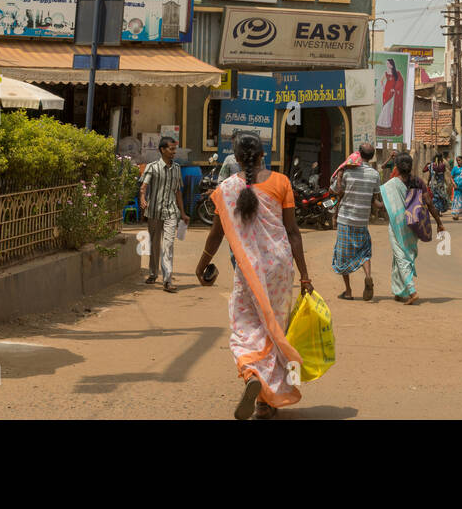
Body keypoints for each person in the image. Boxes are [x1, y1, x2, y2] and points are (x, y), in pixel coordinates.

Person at [196, 132, 312, 420]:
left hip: (248, 272)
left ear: (235, 159)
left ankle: (251, 374)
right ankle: (264, 402)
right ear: (264, 155)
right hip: (280, 271)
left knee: (246, 330)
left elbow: (216, 235)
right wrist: (305, 277)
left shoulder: (225, 189)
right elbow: (293, 232)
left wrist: (202, 266)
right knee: (274, 331)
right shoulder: (282, 182)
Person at [380, 153, 445, 305]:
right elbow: (429, 203)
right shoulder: (418, 182)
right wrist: (439, 223)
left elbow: (384, 204)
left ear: (396, 167)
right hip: (413, 222)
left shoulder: (392, 184)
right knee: (402, 255)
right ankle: (398, 291)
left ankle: (411, 291)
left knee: (401, 257)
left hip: (397, 224)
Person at [331, 143, 380, 302]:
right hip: (362, 219)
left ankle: (348, 291)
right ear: (371, 157)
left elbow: (335, 190)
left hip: (346, 218)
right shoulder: (374, 174)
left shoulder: (347, 172)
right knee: (364, 251)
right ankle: (368, 276)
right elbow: (375, 200)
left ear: (359, 153)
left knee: (343, 254)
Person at [141, 136, 189, 293]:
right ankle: (153, 273)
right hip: (154, 211)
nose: (174, 152)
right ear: (162, 150)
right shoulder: (152, 167)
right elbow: (144, 186)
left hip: (171, 212)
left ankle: (167, 279)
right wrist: (142, 199)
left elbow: (177, 192)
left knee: (168, 245)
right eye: (171, 149)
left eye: (175, 149)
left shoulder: (177, 169)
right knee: (155, 244)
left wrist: (182, 213)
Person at [376, 58, 405, 137]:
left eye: (388, 63)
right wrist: (383, 88)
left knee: (388, 109)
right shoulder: (385, 73)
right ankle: (381, 126)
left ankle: (388, 126)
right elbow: (381, 81)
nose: (387, 65)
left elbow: (401, 82)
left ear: (392, 65)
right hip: (386, 92)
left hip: (392, 93)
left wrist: (395, 89)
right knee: (385, 108)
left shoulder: (397, 73)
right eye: (386, 63)